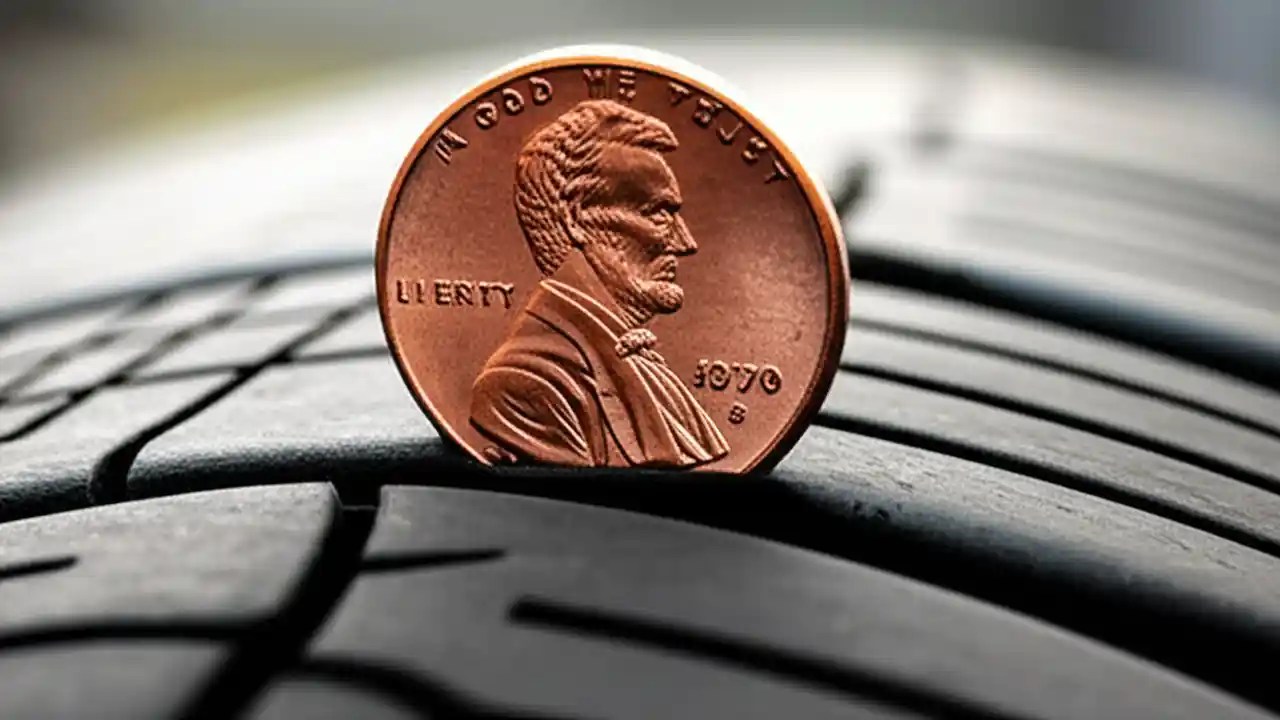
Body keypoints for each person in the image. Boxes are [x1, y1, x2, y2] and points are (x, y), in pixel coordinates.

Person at [470, 99, 729, 468]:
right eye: (658, 214)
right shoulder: (520, 386)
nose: (686, 243)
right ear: (575, 217)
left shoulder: (633, 355)